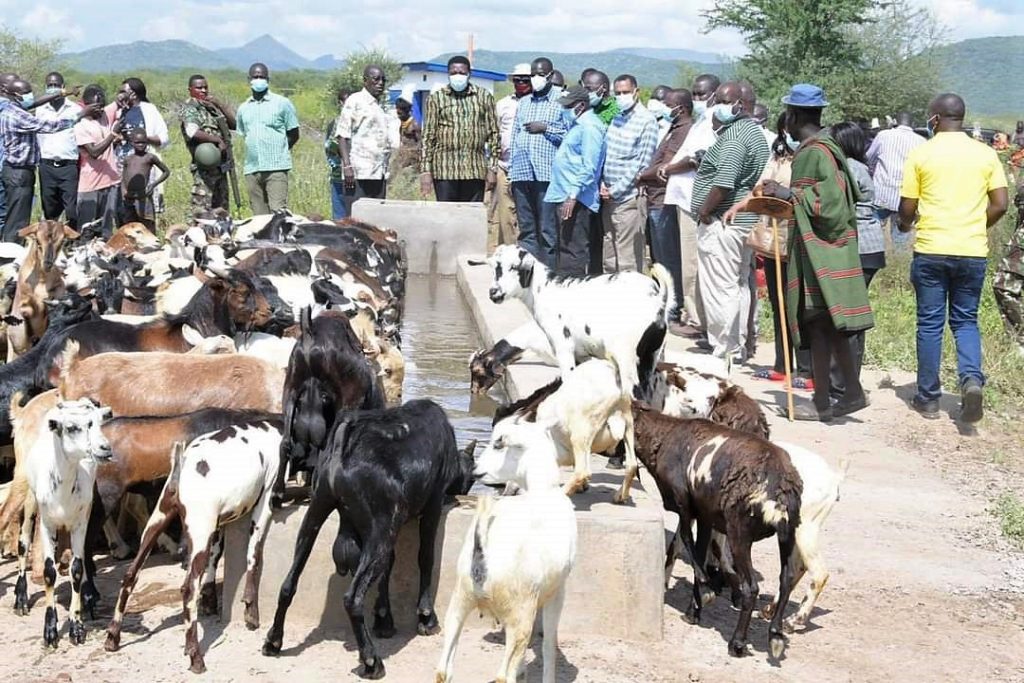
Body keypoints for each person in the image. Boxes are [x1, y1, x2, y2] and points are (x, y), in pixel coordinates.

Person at [757, 84, 873, 422]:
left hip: (822, 253)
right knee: (821, 325)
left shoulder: (815, 152)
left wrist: (789, 195)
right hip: (817, 249)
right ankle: (827, 399)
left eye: (787, 119)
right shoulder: (822, 147)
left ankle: (845, 394)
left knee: (827, 325)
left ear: (792, 116)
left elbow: (833, 204)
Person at [899, 93, 1008, 423]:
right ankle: (972, 380)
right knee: (965, 321)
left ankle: (929, 398)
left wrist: (906, 223)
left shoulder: (921, 154)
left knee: (930, 323)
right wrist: (978, 225)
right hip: (971, 250)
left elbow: (907, 207)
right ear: (961, 117)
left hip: (932, 248)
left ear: (934, 118)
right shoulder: (986, 154)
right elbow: (1000, 203)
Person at [728, 113, 814, 387]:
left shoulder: (809, 157)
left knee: (797, 305)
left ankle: (806, 369)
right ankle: (782, 364)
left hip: (796, 239)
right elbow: (759, 187)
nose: (787, 133)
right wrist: (742, 204)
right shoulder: (777, 158)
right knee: (778, 302)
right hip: (772, 239)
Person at [690, 81, 769, 362]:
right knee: (737, 286)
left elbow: (723, 182)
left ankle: (726, 348)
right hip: (741, 222)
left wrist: (703, 211)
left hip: (722, 222)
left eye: (723, 101)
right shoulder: (754, 134)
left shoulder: (735, 138)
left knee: (720, 288)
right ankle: (738, 344)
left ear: (740, 105)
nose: (717, 107)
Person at [829, 121, 887, 400]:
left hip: (856, 248)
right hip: (869, 248)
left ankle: (844, 386)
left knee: (846, 319)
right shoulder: (860, 167)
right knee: (853, 317)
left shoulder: (847, 168)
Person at [662, 73, 722, 337]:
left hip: (694, 201)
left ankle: (701, 321)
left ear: (715, 94)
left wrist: (669, 168)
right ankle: (696, 315)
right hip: (684, 200)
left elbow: (698, 159)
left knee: (693, 267)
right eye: (694, 93)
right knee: (689, 265)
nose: (697, 98)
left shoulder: (713, 123)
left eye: (701, 94)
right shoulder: (701, 120)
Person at [0, 77, 96, 241]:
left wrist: (63, 93)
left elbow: (33, 103)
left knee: (14, 215)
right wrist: (80, 114)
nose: (30, 95)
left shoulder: (11, 108)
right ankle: (11, 254)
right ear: (15, 95)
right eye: (26, 93)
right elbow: (49, 126)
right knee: (18, 219)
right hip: (19, 172)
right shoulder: (16, 115)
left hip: (16, 171)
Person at [638, 88, 692, 327]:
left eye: (668, 104)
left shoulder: (684, 132)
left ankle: (673, 309)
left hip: (665, 201)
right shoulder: (672, 130)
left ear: (680, 108)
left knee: (669, 260)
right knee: (659, 259)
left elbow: (666, 165)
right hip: (655, 197)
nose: (664, 107)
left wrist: (640, 175)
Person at [544, 85, 607, 276]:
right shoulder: (577, 125)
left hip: (576, 198)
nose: (564, 110)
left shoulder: (590, 127)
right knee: (563, 247)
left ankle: (573, 291)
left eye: (568, 106)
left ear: (580, 106)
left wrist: (572, 196)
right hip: (562, 193)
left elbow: (589, 166)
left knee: (573, 250)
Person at [420, 56, 499, 203]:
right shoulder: (436, 98)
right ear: (448, 74)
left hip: (475, 170)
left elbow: (494, 134)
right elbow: (428, 137)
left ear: (469, 74)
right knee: (446, 218)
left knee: (471, 218)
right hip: (444, 171)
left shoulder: (484, 97)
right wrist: (425, 171)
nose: (458, 76)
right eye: (453, 72)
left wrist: (492, 168)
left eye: (462, 73)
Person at [510, 57, 565, 267]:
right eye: (533, 74)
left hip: (547, 175)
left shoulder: (562, 99)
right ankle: (527, 274)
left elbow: (569, 135)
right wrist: (513, 172)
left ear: (550, 75)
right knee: (526, 229)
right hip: (522, 173)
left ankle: (549, 275)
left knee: (547, 229)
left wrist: (546, 128)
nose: (535, 78)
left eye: (540, 74)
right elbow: (516, 136)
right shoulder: (524, 102)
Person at [600, 74, 657, 273]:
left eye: (625, 92)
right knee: (609, 251)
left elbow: (642, 164)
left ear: (636, 92)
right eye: (618, 93)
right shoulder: (613, 114)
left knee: (628, 257)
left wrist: (616, 189)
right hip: (607, 196)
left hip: (628, 197)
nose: (621, 96)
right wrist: (602, 184)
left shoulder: (646, 121)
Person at [236, 62, 300, 214]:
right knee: (259, 218)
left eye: (262, 77)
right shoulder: (243, 108)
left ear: (268, 80)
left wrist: (280, 149)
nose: (259, 80)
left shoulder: (282, 103)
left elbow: (294, 133)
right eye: (255, 77)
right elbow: (245, 134)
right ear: (249, 79)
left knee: (278, 214)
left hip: (276, 168)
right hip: (252, 169)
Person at [336, 65, 397, 215]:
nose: (380, 83)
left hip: (378, 172)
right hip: (358, 173)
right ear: (365, 81)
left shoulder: (381, 106)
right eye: (376, 79)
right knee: (356, 220)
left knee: (376, 220)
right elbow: (342, 136)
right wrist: (347, 166)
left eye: (383, 80)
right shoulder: (355, 100)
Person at [179, 74, 237, 215]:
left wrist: (219, 105)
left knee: (221, 211)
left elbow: (233, 124)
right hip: (204, 170)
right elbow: (192, 131)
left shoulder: (209, 108)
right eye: (199, 88)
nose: (203, 91)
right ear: (190, 89)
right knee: (202, 210)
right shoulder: (191, 108)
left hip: (220, 168)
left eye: (205, 87)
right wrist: (216, 140)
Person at [113, 78, 170, 220]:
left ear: (133, 93)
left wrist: (141, 138)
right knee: (124, 207)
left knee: (145, 209)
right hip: (123, 164)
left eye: (123, 91)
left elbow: (163, 138)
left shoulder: (149, 110)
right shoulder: (119, 111)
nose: (120, 95)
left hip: (144, 165)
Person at [866, 111, 923, 250]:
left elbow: (869, 159)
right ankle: (898, 261)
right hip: (906, 197)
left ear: (895, 122)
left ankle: (877, 256)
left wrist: (873, 172)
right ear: (913, 124)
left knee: (874, 232)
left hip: (882, 192)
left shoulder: (883, 135)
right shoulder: (921, 141)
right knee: (901, 236)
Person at [74, 84, 123, 239]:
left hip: (110, 181)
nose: (100, 110)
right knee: (87, 228)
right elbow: (94, 152)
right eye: (96, 107)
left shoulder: (104, 116)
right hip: (91, 184)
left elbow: (118, 102)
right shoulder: (81, 126)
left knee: (106, 229)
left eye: (102, 106)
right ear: (87, 106)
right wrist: (113, 134)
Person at [489, 64, 529, 250]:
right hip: (504, 167)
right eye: (517, 79)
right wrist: (492, 166)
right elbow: (493, 135)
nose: (521, 83)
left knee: (525, 216)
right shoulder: (503, 105)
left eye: (525, 80)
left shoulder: (539, 105)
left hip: (529, 171)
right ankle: (508, 254)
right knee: (506, 217)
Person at [35, 72, 82, 229]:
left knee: (71, 209)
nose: (52, 88)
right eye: (49, 85)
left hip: (68, 166)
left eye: (56, 85)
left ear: (63, 87)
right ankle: (52, 243)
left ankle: (71, 242)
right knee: (49, 209)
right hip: (46, 166)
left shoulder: (75, 109)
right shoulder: (39, 109)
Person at [121, 128, 170, 231]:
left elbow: (166, 172)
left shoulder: (150, 157)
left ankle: (151, 246)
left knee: (148, 225)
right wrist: (123, 192)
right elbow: (124, 177)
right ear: (132, 143)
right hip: (130, 198)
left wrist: (153, 185)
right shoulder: (128, 159)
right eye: (137, 142)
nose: (140, 145)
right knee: (131, 227)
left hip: (144, 197)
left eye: (143, 142)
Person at [324, 87, 351, 219]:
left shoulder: (359, 123)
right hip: (337, 175)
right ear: (340, 103)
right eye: (346, 102)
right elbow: (328, 148)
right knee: (339, 218)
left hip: (358, 176)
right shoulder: (334, 124)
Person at [395, 91, 421, 172]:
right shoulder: (402, 125)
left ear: (406, 112)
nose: (398, 116)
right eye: (397, 113)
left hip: (413, 162)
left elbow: (421, 143)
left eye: (400, 114)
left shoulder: (415, 125)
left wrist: (412, 153)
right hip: (403, 160)